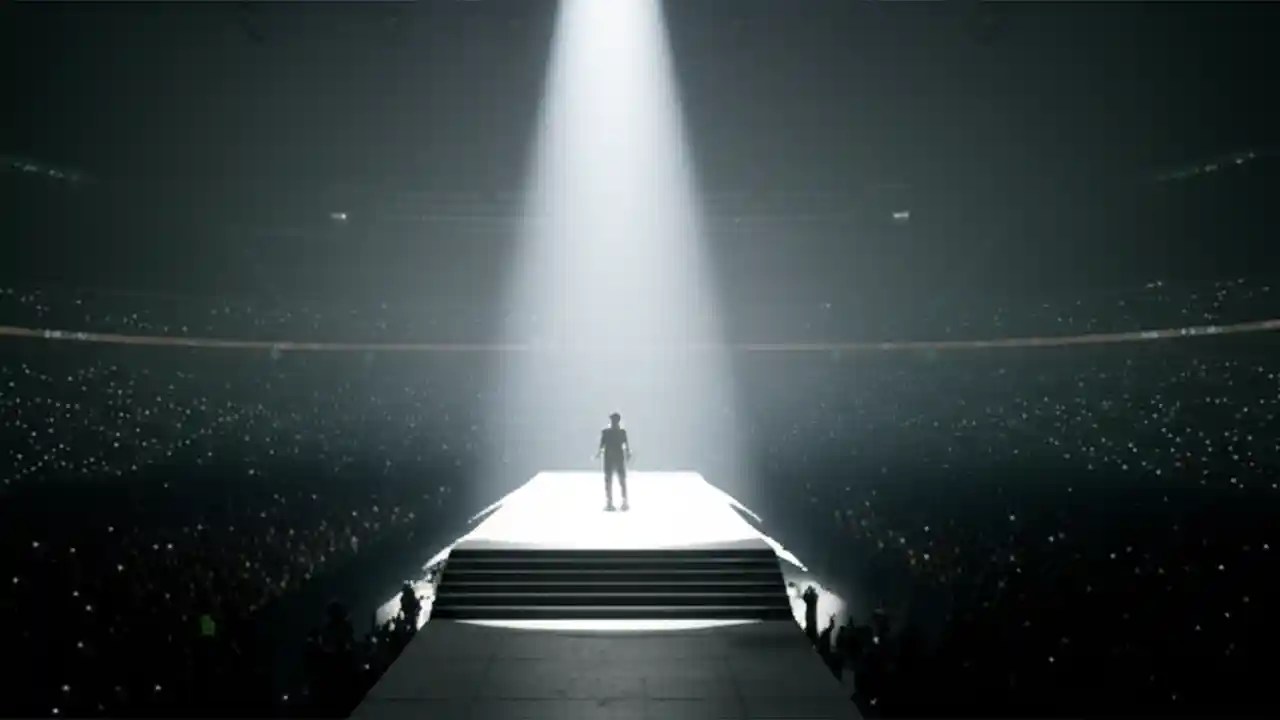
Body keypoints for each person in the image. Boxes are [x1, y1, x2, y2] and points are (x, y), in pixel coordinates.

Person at [595, 412, 632, 511]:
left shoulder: (607, 432)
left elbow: (601, 446)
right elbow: (626, 446)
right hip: (616, 458)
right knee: (619, 481)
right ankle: (620, 501)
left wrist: (599, 453)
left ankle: (612, 502)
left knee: (611, 481)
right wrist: (628, 454)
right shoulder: (620, 432)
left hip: (611, 459)